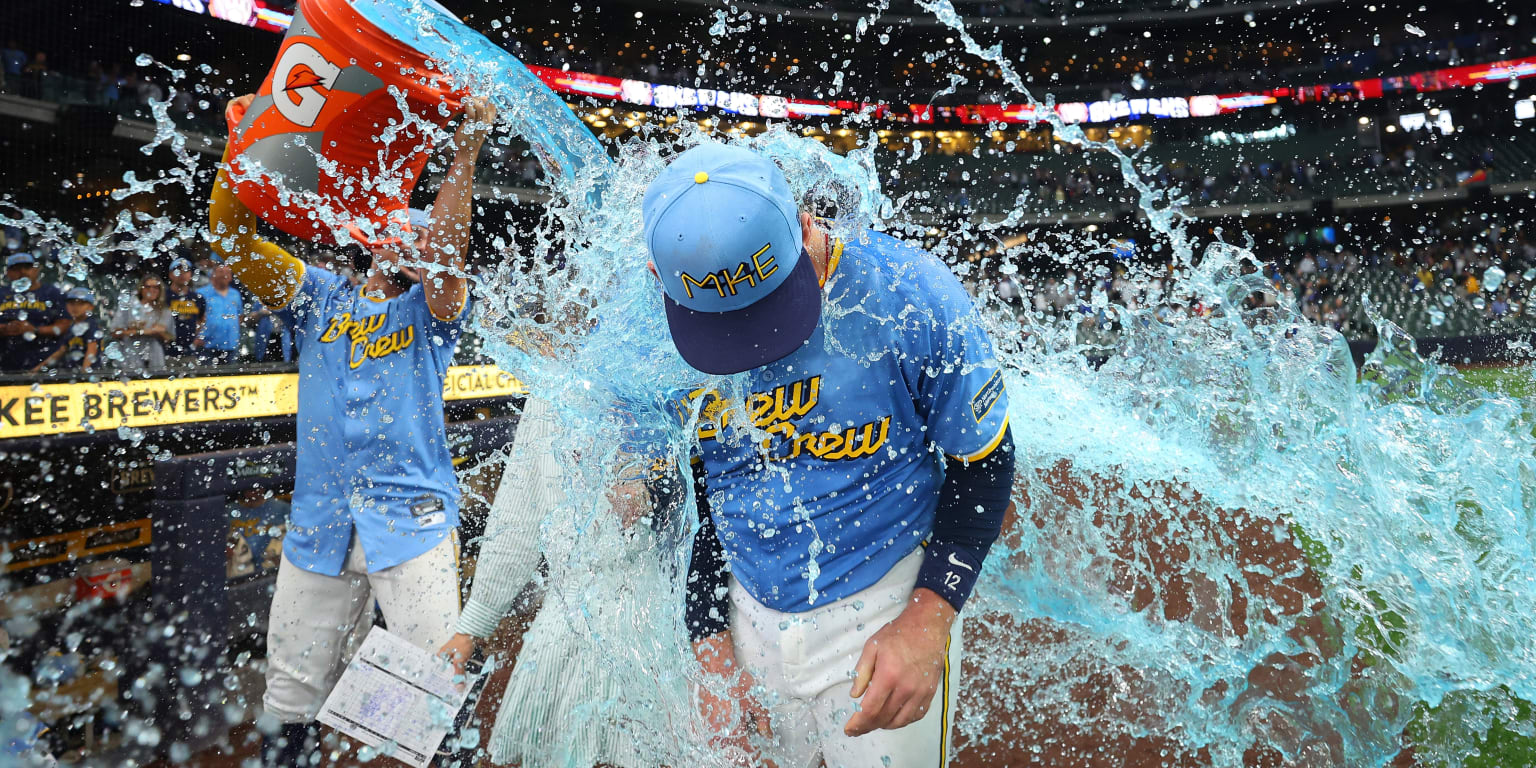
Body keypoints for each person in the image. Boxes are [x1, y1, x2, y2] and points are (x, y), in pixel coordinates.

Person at [645, 143, 1016, 767]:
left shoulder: (909, 294)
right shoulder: (642, 335)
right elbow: (691, 496)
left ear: (807, 229)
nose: (755, 346)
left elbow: (985, 466)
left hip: (885, 593)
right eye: (726, 325)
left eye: (769, 307)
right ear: (657, 279)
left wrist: (927, 621)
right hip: (745, 606)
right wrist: (709, 643)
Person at [209, 92, 496, 767]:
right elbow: (227, 239)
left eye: (421, 234)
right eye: (402, 229)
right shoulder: (316, 295)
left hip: (413, 523)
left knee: (428, 702)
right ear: (370, 239)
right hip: (320, 527)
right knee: (289, 701)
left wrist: (466, 151)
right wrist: (243, 146)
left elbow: (450, 261)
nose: (412, 240)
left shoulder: (432, 310)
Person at [437, 395, 667, 768]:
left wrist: (634, 482)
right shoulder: (546, 395)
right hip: (564, 616)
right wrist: (470, 630)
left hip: (644, 612)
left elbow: (670, 508)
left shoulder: (639, 374)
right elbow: (518, 520)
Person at [0, 252, 70, 372]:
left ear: (36, 269)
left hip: (44, 363)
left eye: (27, 267)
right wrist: (5, 328)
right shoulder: (1, 294)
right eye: (16, 269)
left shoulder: (52, 293)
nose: (22, 272)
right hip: (5, 362)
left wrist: (35, 330)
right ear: (8, 273)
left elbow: (64, 325)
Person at [107, 274, 174, 374]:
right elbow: (114, 332)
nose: (152, 290)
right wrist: (140, 331)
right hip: (130, 358)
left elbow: (169, 337)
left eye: (156, 287)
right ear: (141, 289)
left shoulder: (164, 311)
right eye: (148, 287)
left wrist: (154, 332)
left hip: (155, 359)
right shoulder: (128, 307)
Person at [32, 288, 103, 373]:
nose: (76, 307)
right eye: (72, 304)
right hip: (75, 374)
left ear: (91, 307)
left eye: (81, 304)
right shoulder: (72, 326)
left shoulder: (91, 325)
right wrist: (37, 369)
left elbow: (92, 350)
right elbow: (61, 351)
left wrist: (84, 374)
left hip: (92, 375)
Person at [196, 263, 243, 364]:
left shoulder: (235, 294)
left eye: (228, 272)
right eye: (221, 272)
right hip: (207, 345)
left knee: (231, 377)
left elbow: (240, 316)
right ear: (212, 275)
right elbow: (195, 318)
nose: (224, 275)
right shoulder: (201, 293)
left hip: (231, 345)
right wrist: (196, 337)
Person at [165, 257, 207, 364]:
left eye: (186, 271)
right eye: (178, 270)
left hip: (190, 351)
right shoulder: (164, 296)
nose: (182, 274)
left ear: (191, 274)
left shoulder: (197, 298)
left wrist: (196, 336)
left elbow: (202, 319)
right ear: (170, 274)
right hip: (167, 352)